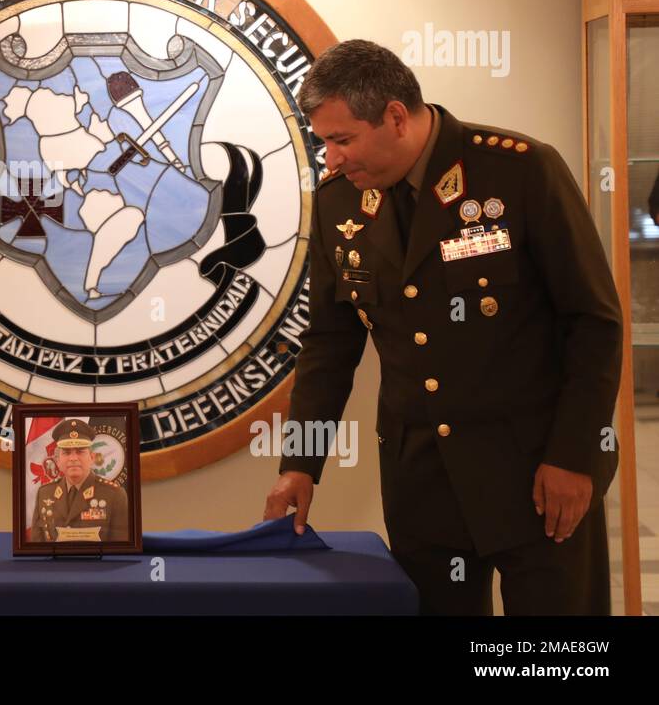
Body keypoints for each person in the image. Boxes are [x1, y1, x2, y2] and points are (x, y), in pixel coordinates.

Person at [262, 39, 622, 615]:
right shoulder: (339, 204)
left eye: (343, 139)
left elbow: (594, 323)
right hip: (423, 480)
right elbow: (330, 343)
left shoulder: (519, 170)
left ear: (397, 117)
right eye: (324, 141)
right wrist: (300, 463)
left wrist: (576, 457)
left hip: (537, 472)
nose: (331, 158)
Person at [31, 420, 129, 543]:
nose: (73, 458)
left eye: (80, 451)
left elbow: (120, 548)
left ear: (92, 458)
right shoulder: (45, 493)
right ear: (57, 461)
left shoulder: (114, 495)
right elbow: (36, 545)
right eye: (66, 452)